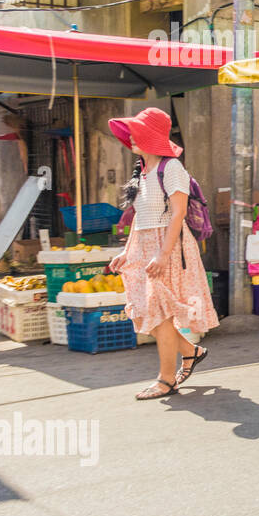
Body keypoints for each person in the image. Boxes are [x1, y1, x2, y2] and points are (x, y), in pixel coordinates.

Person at [107, 108, 218, 401]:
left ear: (151, 136)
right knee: (152, 314)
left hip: (168, 247)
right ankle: (191, 352)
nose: (131, 137)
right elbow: (140, 218)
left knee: (160, 315)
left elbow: (178, 213)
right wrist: (126, 252)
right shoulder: (144, 171)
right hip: (145, 247)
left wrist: (163, 254)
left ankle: (166, 380)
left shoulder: (171, 168)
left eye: (137, 131)